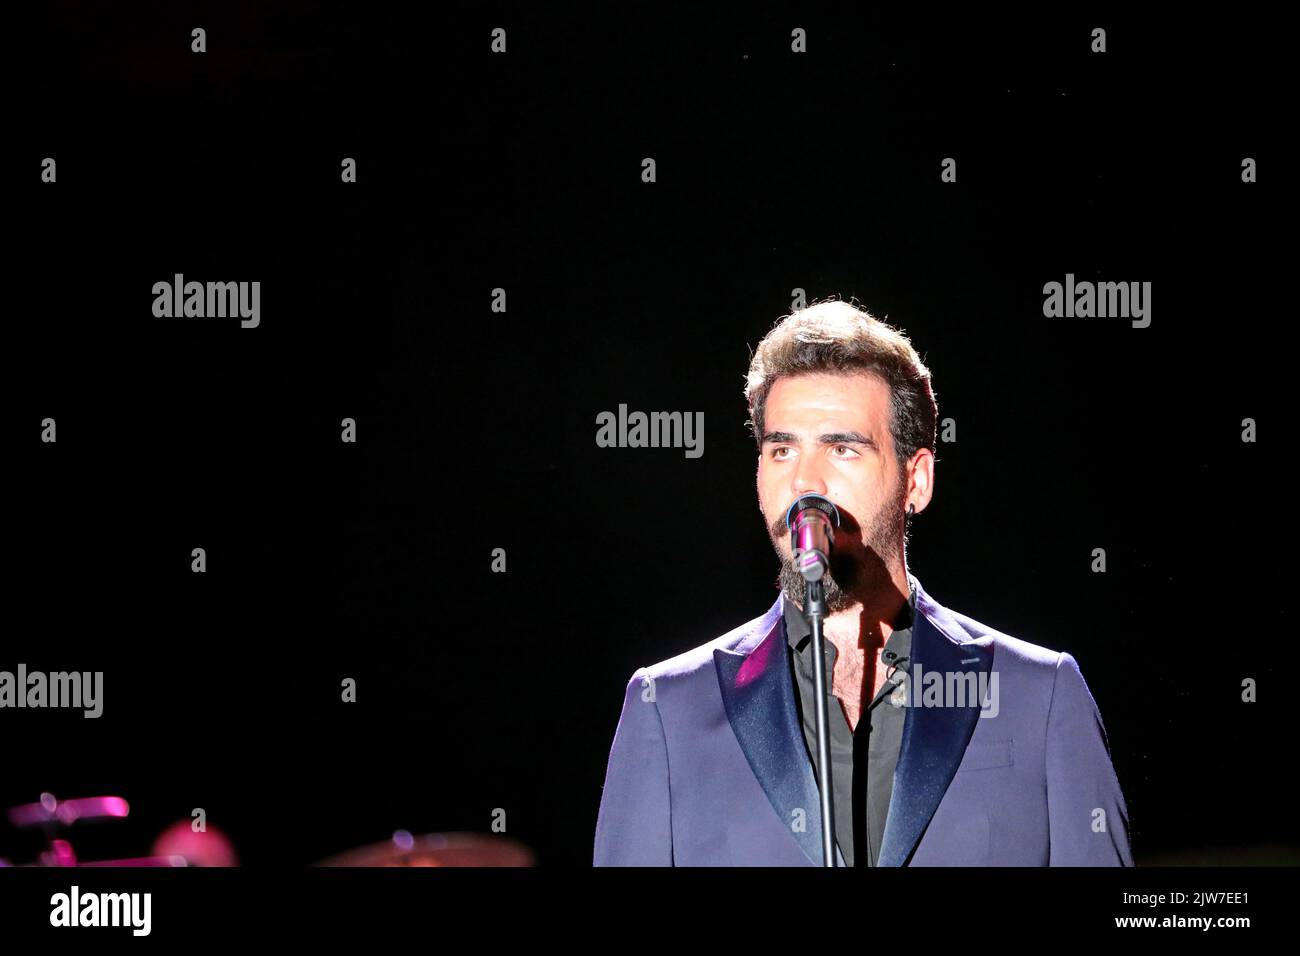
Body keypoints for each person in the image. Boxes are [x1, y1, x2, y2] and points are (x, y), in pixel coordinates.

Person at [593, 299, 1133, 866]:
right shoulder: (667, 707)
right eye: (781, 449)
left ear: (916, 480)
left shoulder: (1039, 696)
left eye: (842, 447)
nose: (805, 479)